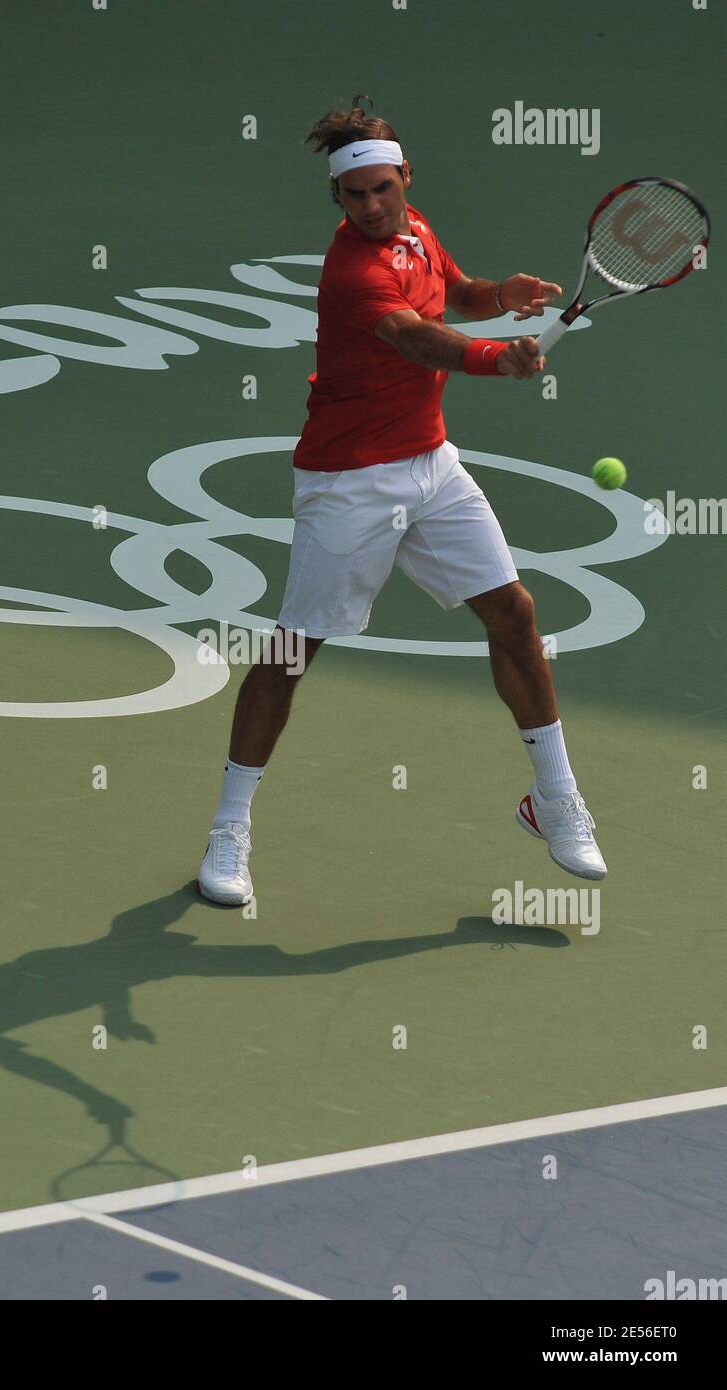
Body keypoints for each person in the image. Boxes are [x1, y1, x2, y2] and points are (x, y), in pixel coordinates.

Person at [198, 98, 607, 906]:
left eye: (385, 190)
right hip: (348, 481)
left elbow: (451, 294)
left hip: (430, 466)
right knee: (291, 655)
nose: (374, 206)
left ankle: (554, 798)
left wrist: (502, 294)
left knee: (514, 613)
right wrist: (500, 360)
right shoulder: (352, 270)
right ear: (339, 201)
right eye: (357, 197)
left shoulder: (415, 228)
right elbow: (418, 338)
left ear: (405, 179)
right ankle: (228, 828)